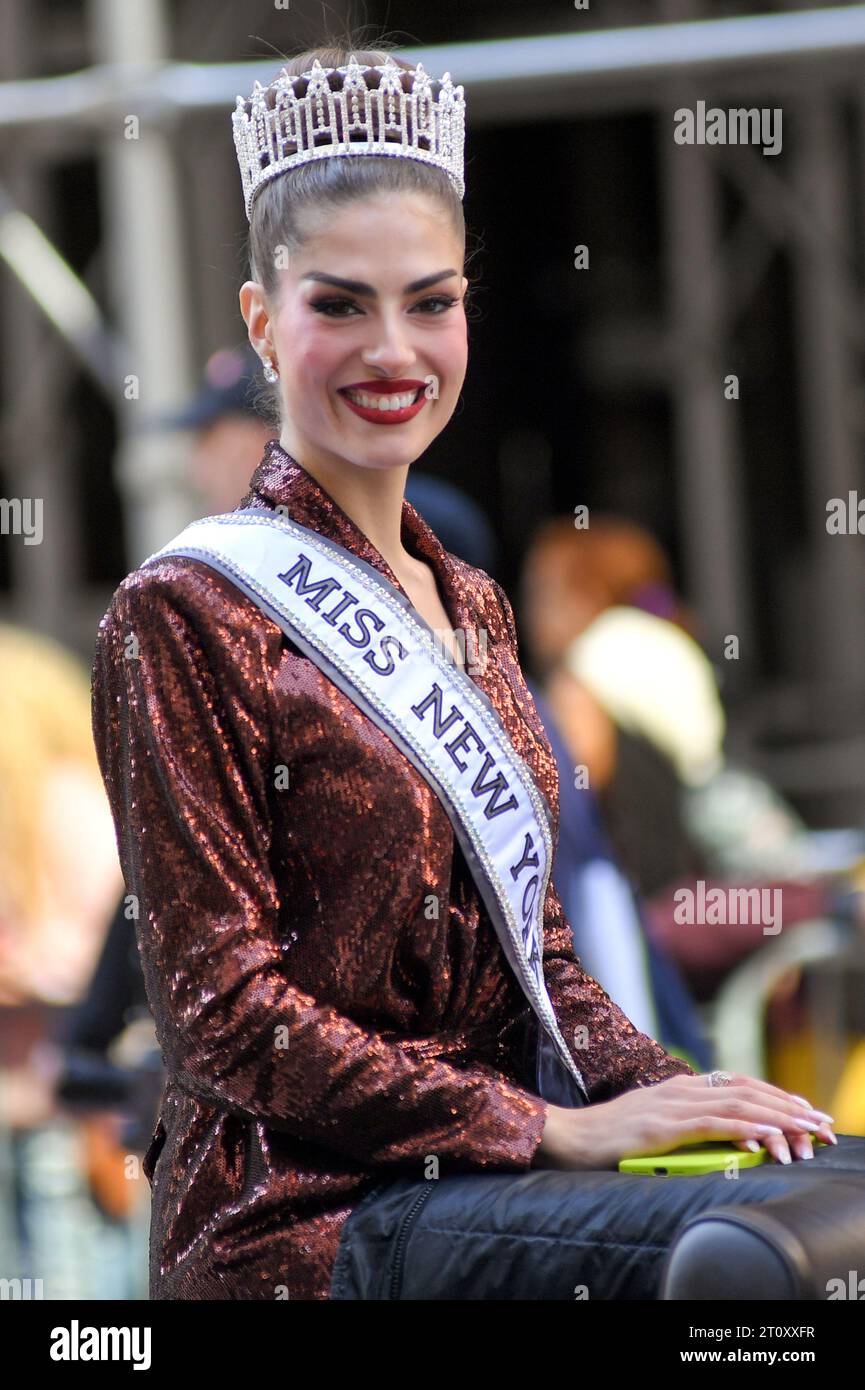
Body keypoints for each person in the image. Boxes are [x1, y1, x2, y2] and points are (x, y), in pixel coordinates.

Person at [91, 40, 853, 1303]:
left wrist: (668, 1087)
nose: (395, 349)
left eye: (430, 300)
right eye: (339, 304)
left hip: (491, 1187)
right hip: (308, 1219)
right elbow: (225, 1011)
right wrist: (544, 1126)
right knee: (756, 1272)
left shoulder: (477, 605)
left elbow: (541, 958)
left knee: (833, 1190)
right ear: (258, 321)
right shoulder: (185, 610)